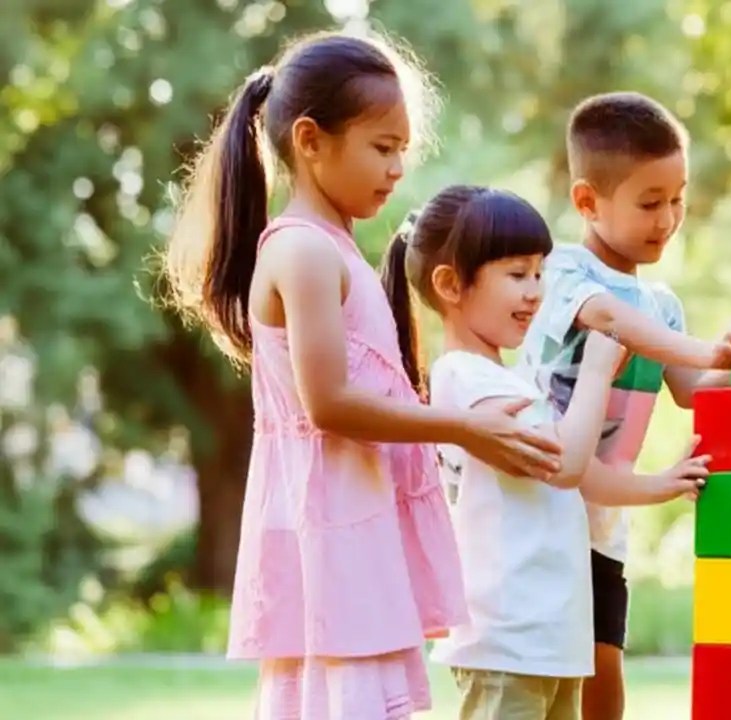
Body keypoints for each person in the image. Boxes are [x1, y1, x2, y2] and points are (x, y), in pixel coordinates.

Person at [163, 31, 562, 719]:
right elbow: (330, 404)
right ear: (311, 141)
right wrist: (463, 427)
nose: (399, 166)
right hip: (332, 533)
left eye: (403, 148)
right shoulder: (303, 253)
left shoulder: (335, 250)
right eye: (383, 146)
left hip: (357, 528)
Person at [382, 185, 707, 719]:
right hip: (509, 644)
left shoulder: (509, 381)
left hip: (547, 644)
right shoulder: (468, 380)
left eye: (539, 274)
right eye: (517, 275)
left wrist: (664, 483)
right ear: (451, 286)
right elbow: (566, 465)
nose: (535, 292)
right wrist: (597, 371)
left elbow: (581, 480)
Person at [517, 92, 731, 720]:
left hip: (603, 520)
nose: (668, 218)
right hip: (539, 508)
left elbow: (693, 390)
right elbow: (610, 320)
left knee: (606, 664)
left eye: (678, 199)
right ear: (586, 202)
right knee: (543, 674)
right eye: (650, 203)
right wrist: (707, 347)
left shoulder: (662, 304)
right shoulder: (560, 273)